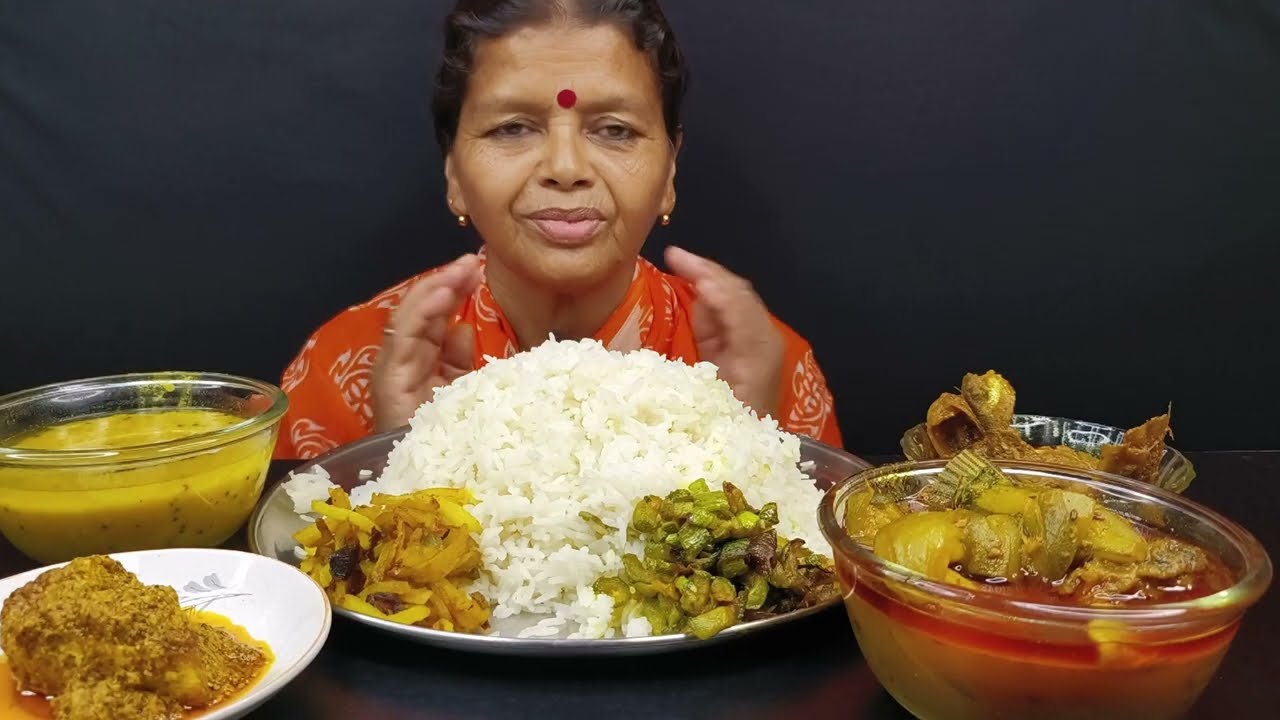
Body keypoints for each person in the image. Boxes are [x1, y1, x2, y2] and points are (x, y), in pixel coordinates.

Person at [275, 0, 842, 460]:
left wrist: (751, 449)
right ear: (454, 173)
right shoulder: (349, 365)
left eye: (615, 130)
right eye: (513, 128)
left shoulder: (765, 366)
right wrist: (396, 457)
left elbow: (829, 584)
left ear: (669, 170)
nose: (566, 168)